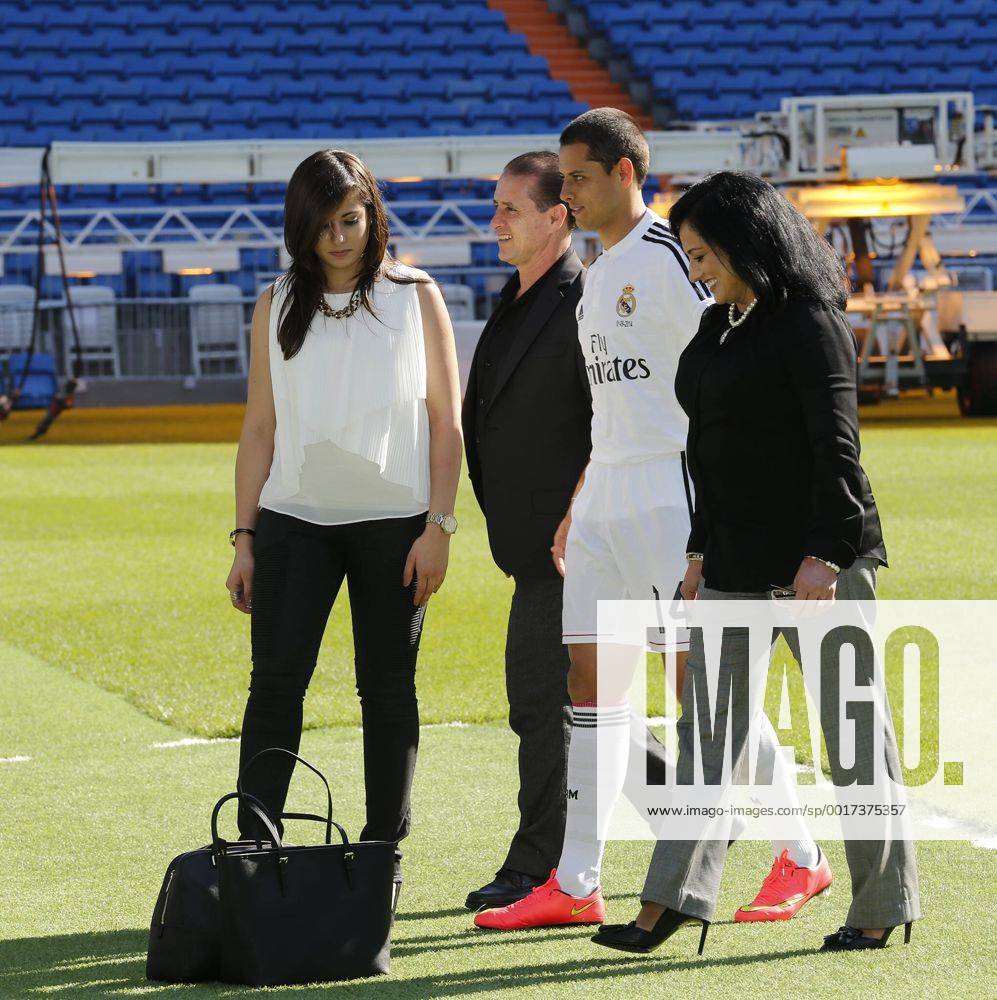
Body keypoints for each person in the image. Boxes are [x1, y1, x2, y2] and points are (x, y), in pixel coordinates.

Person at [476, 110, 823, 933]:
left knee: (698, 688)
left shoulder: (671, 256)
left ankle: (802, 853)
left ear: (625, 172)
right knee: (588, 681)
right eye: (562, 179)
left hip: (672, 490)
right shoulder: (595, 275)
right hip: (607, 496)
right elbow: (612, 403)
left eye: (579, 177)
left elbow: (728, 373)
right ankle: (575, 881)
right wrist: (581, 498)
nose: (568, 192)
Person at [592, 170, 921, 955]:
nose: (695, 270)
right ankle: (668, 902)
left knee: (852, 736)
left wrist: (825, 555)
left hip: (818, 563)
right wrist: (697, 554)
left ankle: (881, 904)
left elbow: (836, 451)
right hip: (732, 563)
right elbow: (707, 455)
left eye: (703, 254)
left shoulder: (809, 321)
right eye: (689, 256)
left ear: (746, 242)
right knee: (704, 734)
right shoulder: (716, 327)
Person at [225, 150, 463, 893]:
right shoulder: (274, 303)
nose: (337, 237)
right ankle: (254, 843)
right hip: (292, 521)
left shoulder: (415, 296)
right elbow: (258, 428)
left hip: (396, 526)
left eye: (351, 220)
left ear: (372, 217)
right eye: (322, 223)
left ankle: (382, 850)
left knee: (386, 689)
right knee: (274, 685)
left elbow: (446, 420)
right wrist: (244, 538)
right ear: (299, 225)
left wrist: (440, 526)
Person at [461, 152, 590, 911]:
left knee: (541, 704)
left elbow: (610, 421)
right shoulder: (516, 296)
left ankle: (538, 867)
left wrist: (578, 508)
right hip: (530, 545)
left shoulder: (584, 298)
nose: (495, 222)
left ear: (556, 216)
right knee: (575, 706)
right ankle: (696, 807)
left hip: (570, 545)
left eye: (511, 208)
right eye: (496, 206)